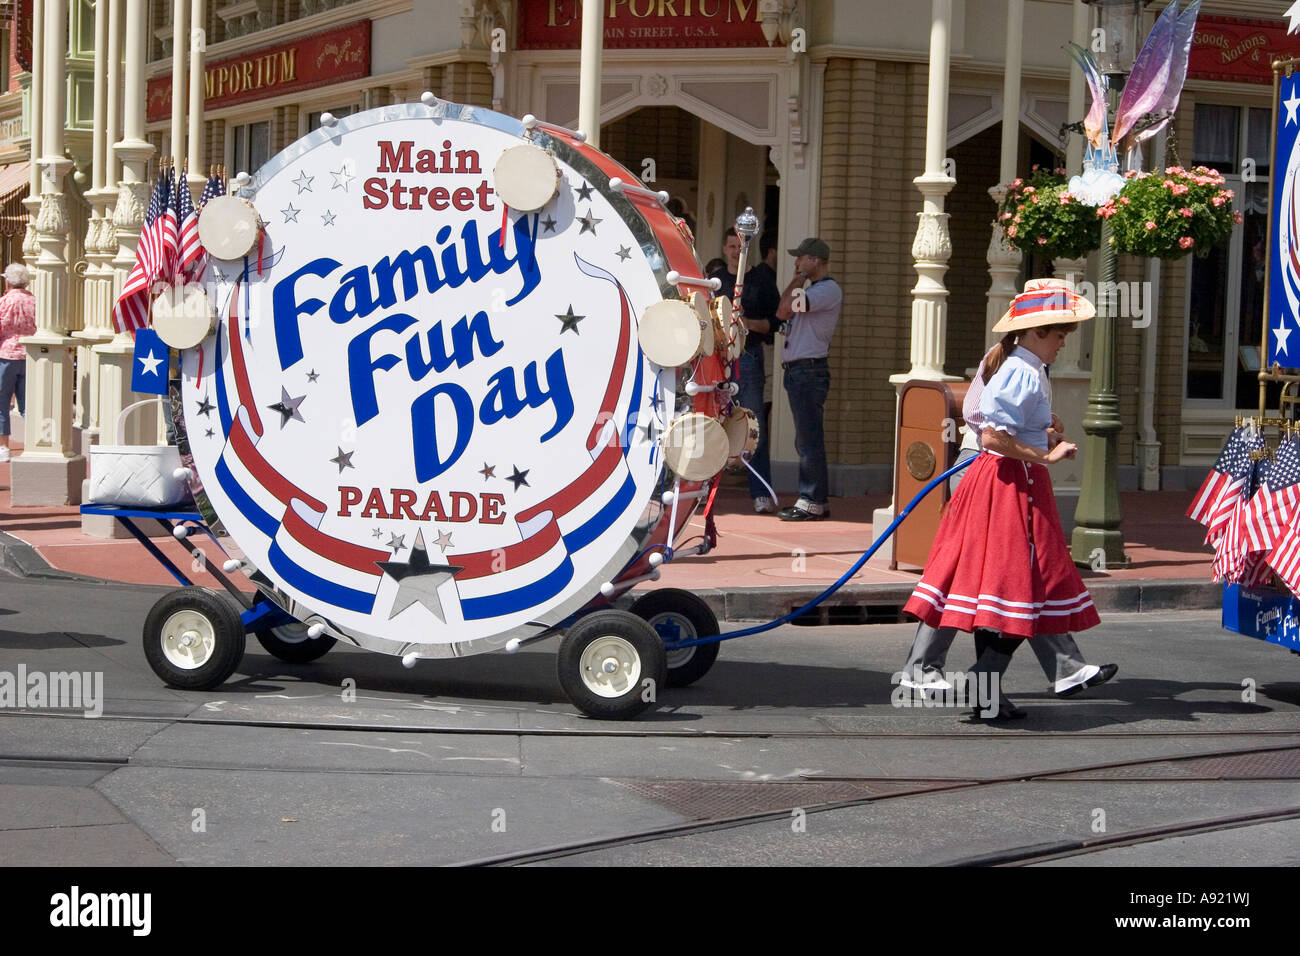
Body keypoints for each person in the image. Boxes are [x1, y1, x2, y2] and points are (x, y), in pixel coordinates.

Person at [901, 279, 1106, 719]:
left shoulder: (1023, 366)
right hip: (1006, 481)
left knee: (1002, 586)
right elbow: (993, 435)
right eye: (1057, 333)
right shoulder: (1020, 369)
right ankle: (957, 673)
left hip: (1014, 479)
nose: (1062, 342)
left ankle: (989, 690)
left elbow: (1003, 426)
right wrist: (1045, 454)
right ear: (1035, 332)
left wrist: (1042, 433)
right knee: (1020, 579)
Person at [708, 229, 780, 512]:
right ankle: (704, 490)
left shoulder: (761, 279)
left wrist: (749, 324)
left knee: (751, 423)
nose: (737, 251)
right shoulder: (716, 281)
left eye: (741, 246)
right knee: (711, 422)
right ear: (725, 250)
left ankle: (760, 492)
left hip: (748, 357)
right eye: (732, 246)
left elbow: (775, 321)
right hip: (717, 358)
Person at [775, 237, 841, 521]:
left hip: (808, 371)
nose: (796, 262)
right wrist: (800, 279)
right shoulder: (816, 289)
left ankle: (810, 499)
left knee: (808, 439)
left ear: (815, 260)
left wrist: (798, 279)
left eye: (801, 258)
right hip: (800, 371)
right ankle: (817, 499)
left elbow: (784, 308)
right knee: (807, 437)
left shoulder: (827, 290)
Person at [0, 262, 35, 463]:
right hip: (30, 355)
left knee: (2, 402)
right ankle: (32, 442)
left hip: (6, 355)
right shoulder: (35, 301)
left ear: (8, 282)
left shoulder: (4, 302)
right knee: (28, 403)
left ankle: (4, 446)